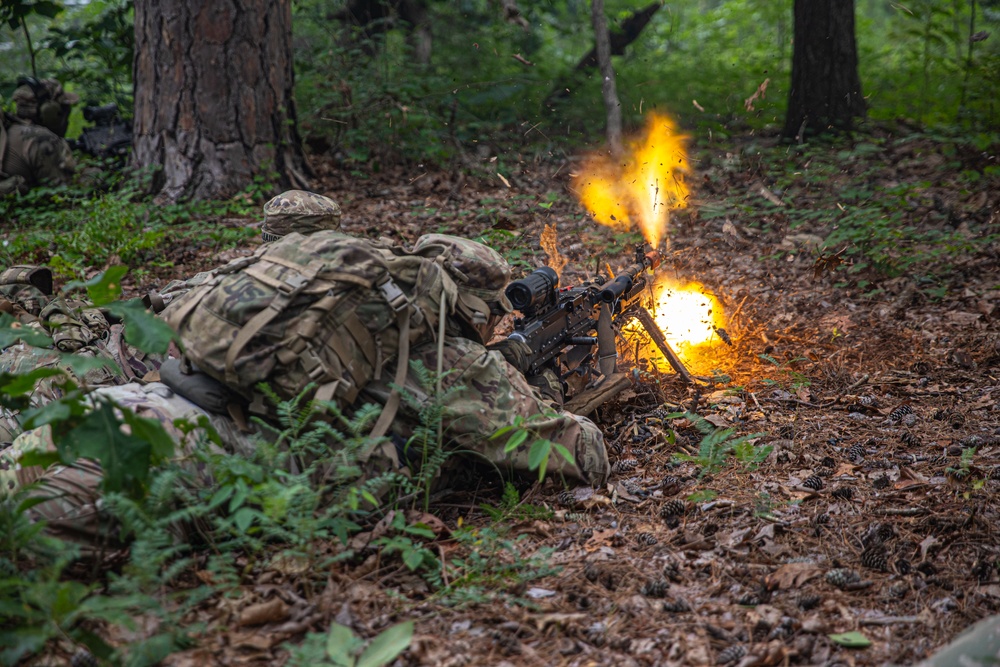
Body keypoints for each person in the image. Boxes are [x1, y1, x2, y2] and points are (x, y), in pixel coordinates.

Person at [0, 191, 608, 553]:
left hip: (129, 407)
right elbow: (579, 455)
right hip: (176, 466)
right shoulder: (441, 354)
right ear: (475, 306)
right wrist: (537, 383)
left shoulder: (347, 305)